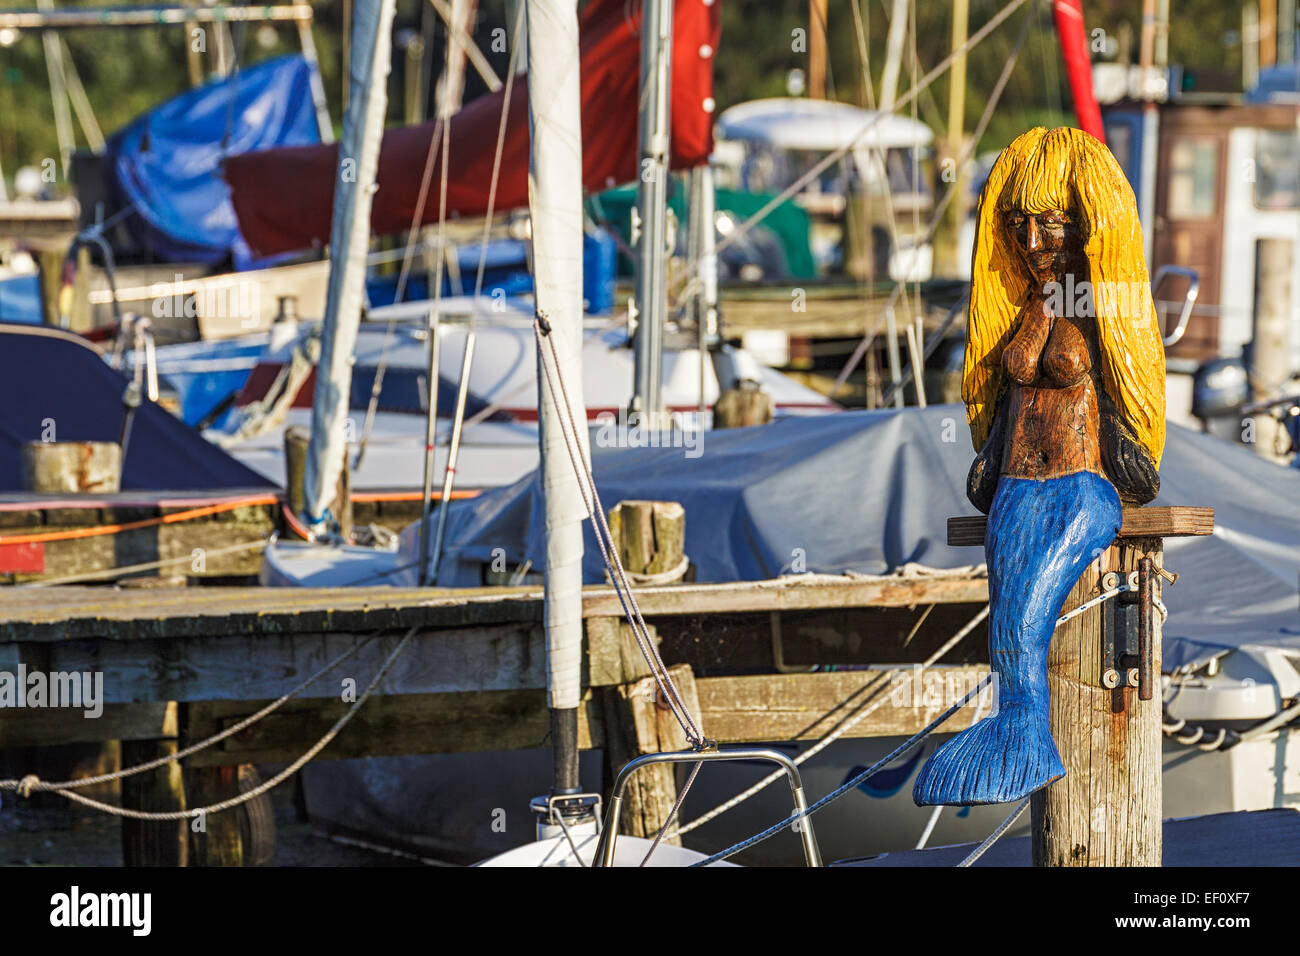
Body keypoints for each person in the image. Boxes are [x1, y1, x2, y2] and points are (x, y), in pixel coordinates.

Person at [913, 126, 1165, 806]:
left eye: (1051, 225)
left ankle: (1024, 734)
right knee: (1009, 625)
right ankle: (1022, 734)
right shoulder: (1027, 301)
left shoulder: (1103, 307)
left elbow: (1119, 396)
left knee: (1024, 615)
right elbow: (1010, 387)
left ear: (1090, 224)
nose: (1031, 244)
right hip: (1018, 488)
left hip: (1082, 487)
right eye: (1018, 225)